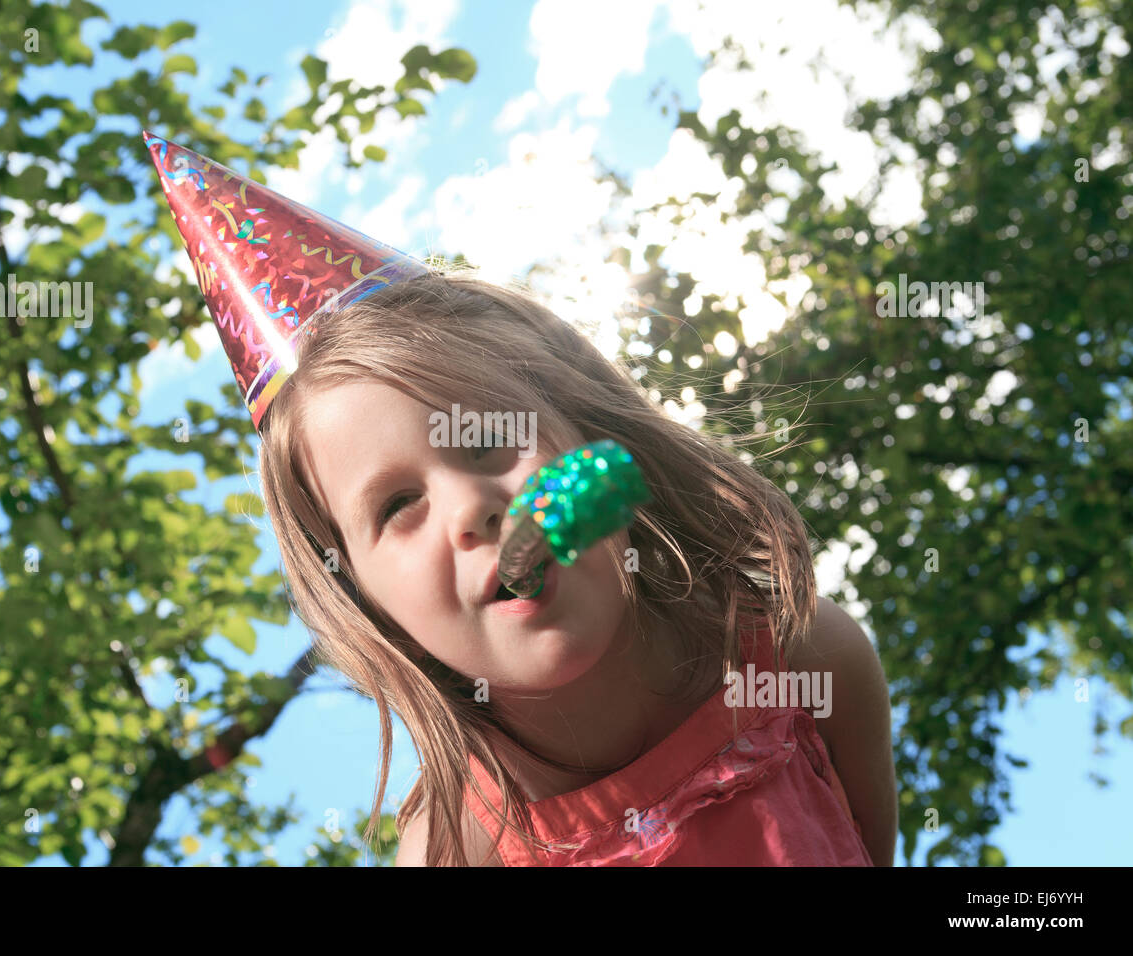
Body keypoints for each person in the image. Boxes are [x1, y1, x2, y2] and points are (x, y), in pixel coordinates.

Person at [144, 132, 898, 868]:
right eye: (398, 506)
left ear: (588, 429)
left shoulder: (799, 659)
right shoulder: (452, 855)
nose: (470, 508)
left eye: (487, 438)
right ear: (363, 600)